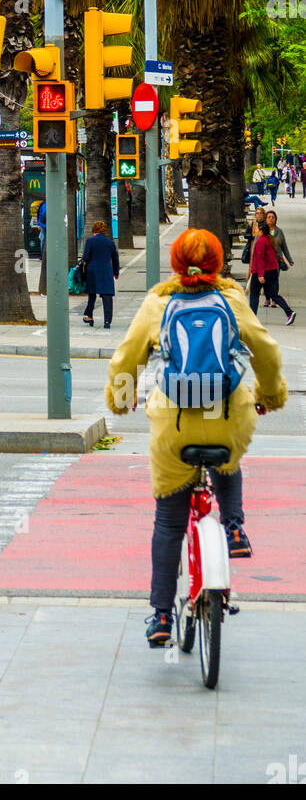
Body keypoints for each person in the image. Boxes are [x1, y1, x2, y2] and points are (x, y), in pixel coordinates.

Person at [106, 228, 287, 647]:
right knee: (229, 456)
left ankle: (162, 615)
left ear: (175, 263)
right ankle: (235, 526)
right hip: (228, 414)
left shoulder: (159, 302)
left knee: (168, 522)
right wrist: (270, 395)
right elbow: (267, 351)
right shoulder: (232, 300)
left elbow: (127, 357)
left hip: (175, 422)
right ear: (219, 263)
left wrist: (121, 400)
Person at [250, 220, 295, 324]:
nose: (255, 230)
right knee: (273, 295)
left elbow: (260, 259)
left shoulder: (260, 241)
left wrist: (260, 275)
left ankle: (252, 319)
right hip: (272, 271)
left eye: (257, 228)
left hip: (261, 272)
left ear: (261, 230)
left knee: (254, 295)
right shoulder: (269, 239)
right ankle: (289, 312)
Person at [81, 219, 120, 329]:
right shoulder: (110, 242)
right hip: (106, 271)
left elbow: (86, 257)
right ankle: (107, 321)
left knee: (92, 295)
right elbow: (115, 258)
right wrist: (116, 272)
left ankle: (89, 316)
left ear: (94, 230)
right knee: (107, 296)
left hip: (92, 271)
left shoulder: (90, 241)